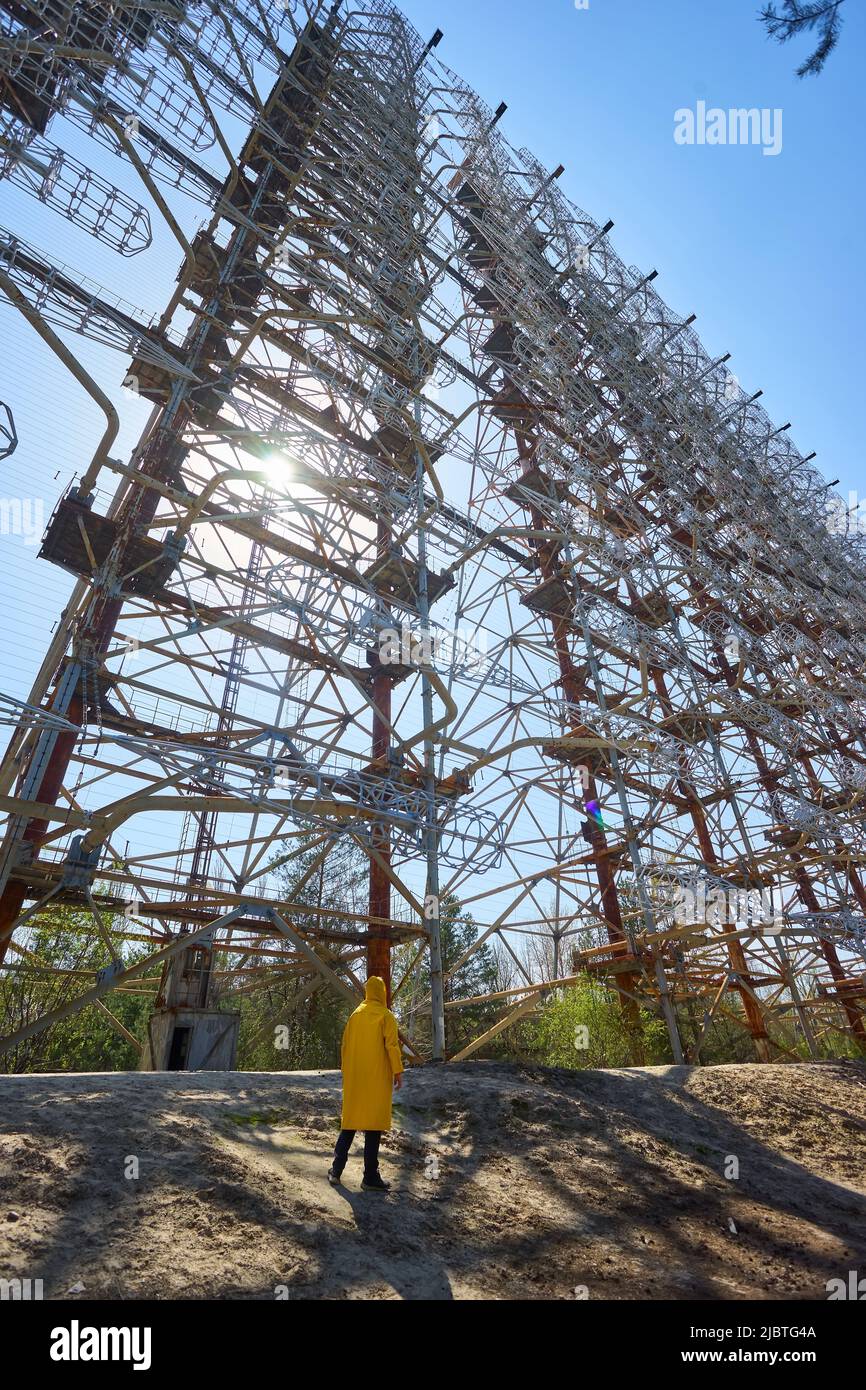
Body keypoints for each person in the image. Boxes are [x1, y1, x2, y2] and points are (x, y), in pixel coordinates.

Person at [328, 975, 403, 1192]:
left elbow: (344, 1046)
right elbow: (392, 1046)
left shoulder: (355, 1016)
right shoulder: (386, 1016)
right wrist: (398, 1071)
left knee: (350, 1122)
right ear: (382, 993)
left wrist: (346, 1072)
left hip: (355, 1078)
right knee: (373, 1127)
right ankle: (370, 1177)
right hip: (376, 1079)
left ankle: (335, 1171)